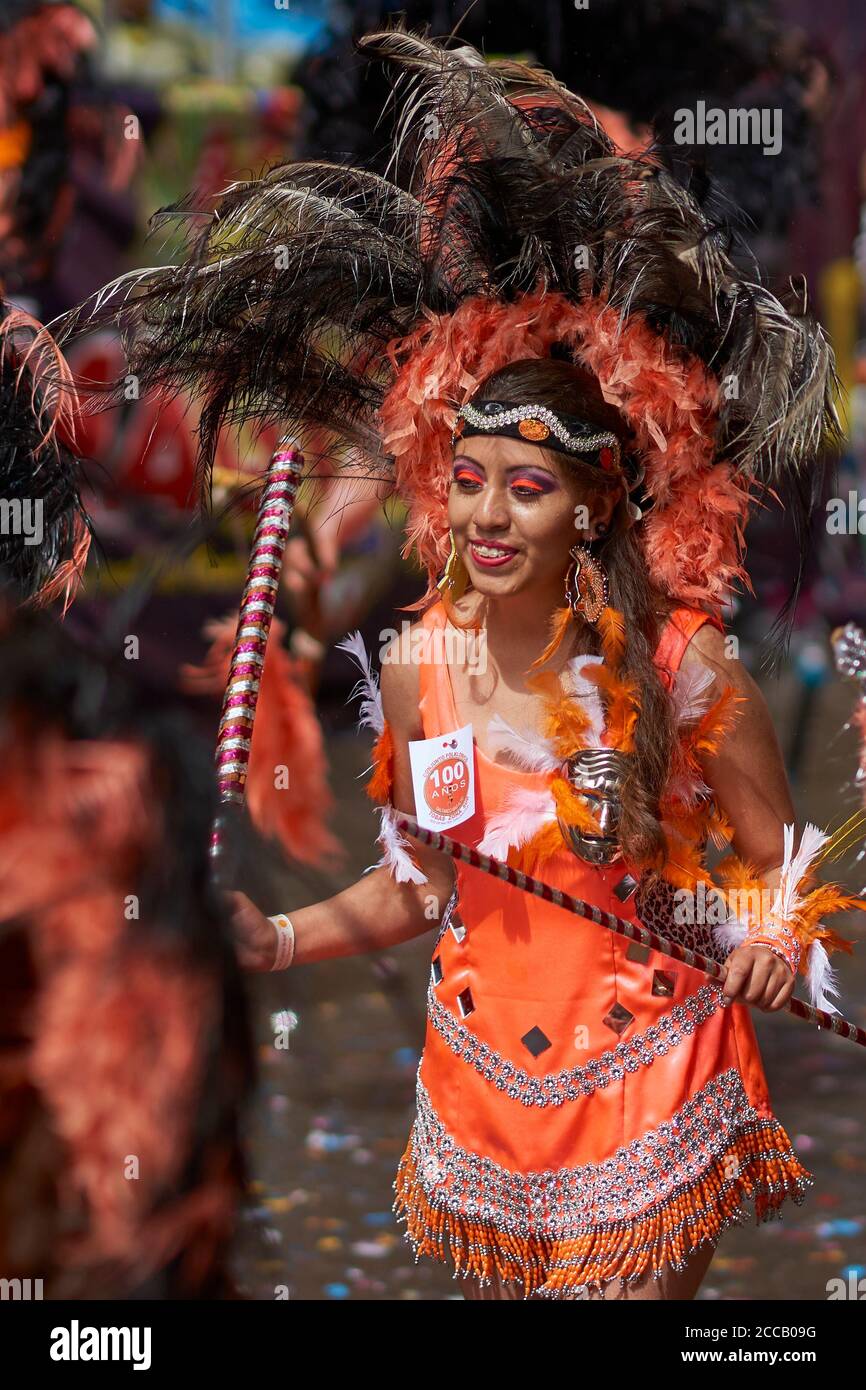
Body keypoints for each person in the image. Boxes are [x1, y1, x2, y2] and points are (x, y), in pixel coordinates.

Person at [51, 25, 862, 1300]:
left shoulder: (682, 660)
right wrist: (275, 937)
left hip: (654, 1073)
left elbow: (773, 865)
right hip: (480, 1096)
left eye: (525, 489)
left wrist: (765, 938)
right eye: (467, 482)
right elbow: (420, 888)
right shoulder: (424, 662)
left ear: (589, 508)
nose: (485, 518)